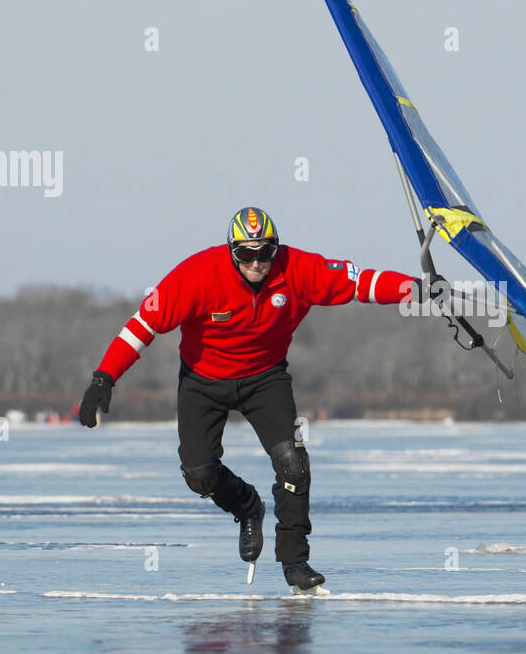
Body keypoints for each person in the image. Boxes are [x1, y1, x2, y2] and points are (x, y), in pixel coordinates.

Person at [78, 207, 418, 592]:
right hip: (202, 380)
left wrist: (417, 290)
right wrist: (104, 378)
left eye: (265, 253)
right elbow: (142, 326)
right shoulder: (196, 275)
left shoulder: (298, 269)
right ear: (231, 251)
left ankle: (295, 562)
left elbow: (364, 284)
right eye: (246, 254)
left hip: (265, 378)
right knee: (199, 474)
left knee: (293, 463)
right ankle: (247, 507)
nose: (257, 263)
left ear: (275, 248)